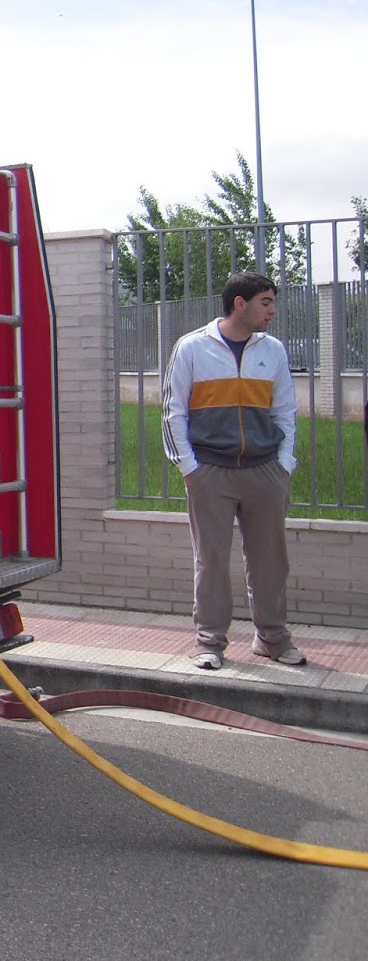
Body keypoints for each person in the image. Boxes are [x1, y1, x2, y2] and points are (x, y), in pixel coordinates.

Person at [162, 271, 304, 670]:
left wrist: (284, 464)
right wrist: (189, 468)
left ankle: (272, 639)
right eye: (266, 302)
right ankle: (209, 642)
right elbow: (173, 412)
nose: (272, 310)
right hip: (210, 472)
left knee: (270, 561)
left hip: (265, 471)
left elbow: (285, 411)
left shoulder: (272, 350)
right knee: (211, 561)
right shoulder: (192, 347)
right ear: (240, 304)